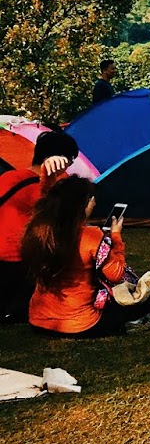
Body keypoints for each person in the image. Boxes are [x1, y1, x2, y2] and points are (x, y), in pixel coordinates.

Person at [22, 176, 150, 336]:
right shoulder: (91, 236)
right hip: (79, 324)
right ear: (83, 204)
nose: (94, 203)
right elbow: (116, 275)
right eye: (91, 199)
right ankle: (130, 323)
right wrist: (116, 237)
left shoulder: (39, 231)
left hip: (38, 321)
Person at [0, 130, 77, 325]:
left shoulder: (8, 176)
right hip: (19, 262)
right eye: (70, 160)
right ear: (61, 160)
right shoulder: (49, 189)